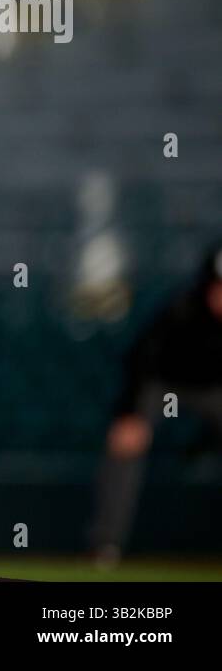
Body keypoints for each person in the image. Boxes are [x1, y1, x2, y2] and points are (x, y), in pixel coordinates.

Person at [87, 240, 222, 564]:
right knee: (125, 441)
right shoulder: (179, 310)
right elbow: (141, 360)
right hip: (164, 384)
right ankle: (106, 545)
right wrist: (130, 413)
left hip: (215, 392)